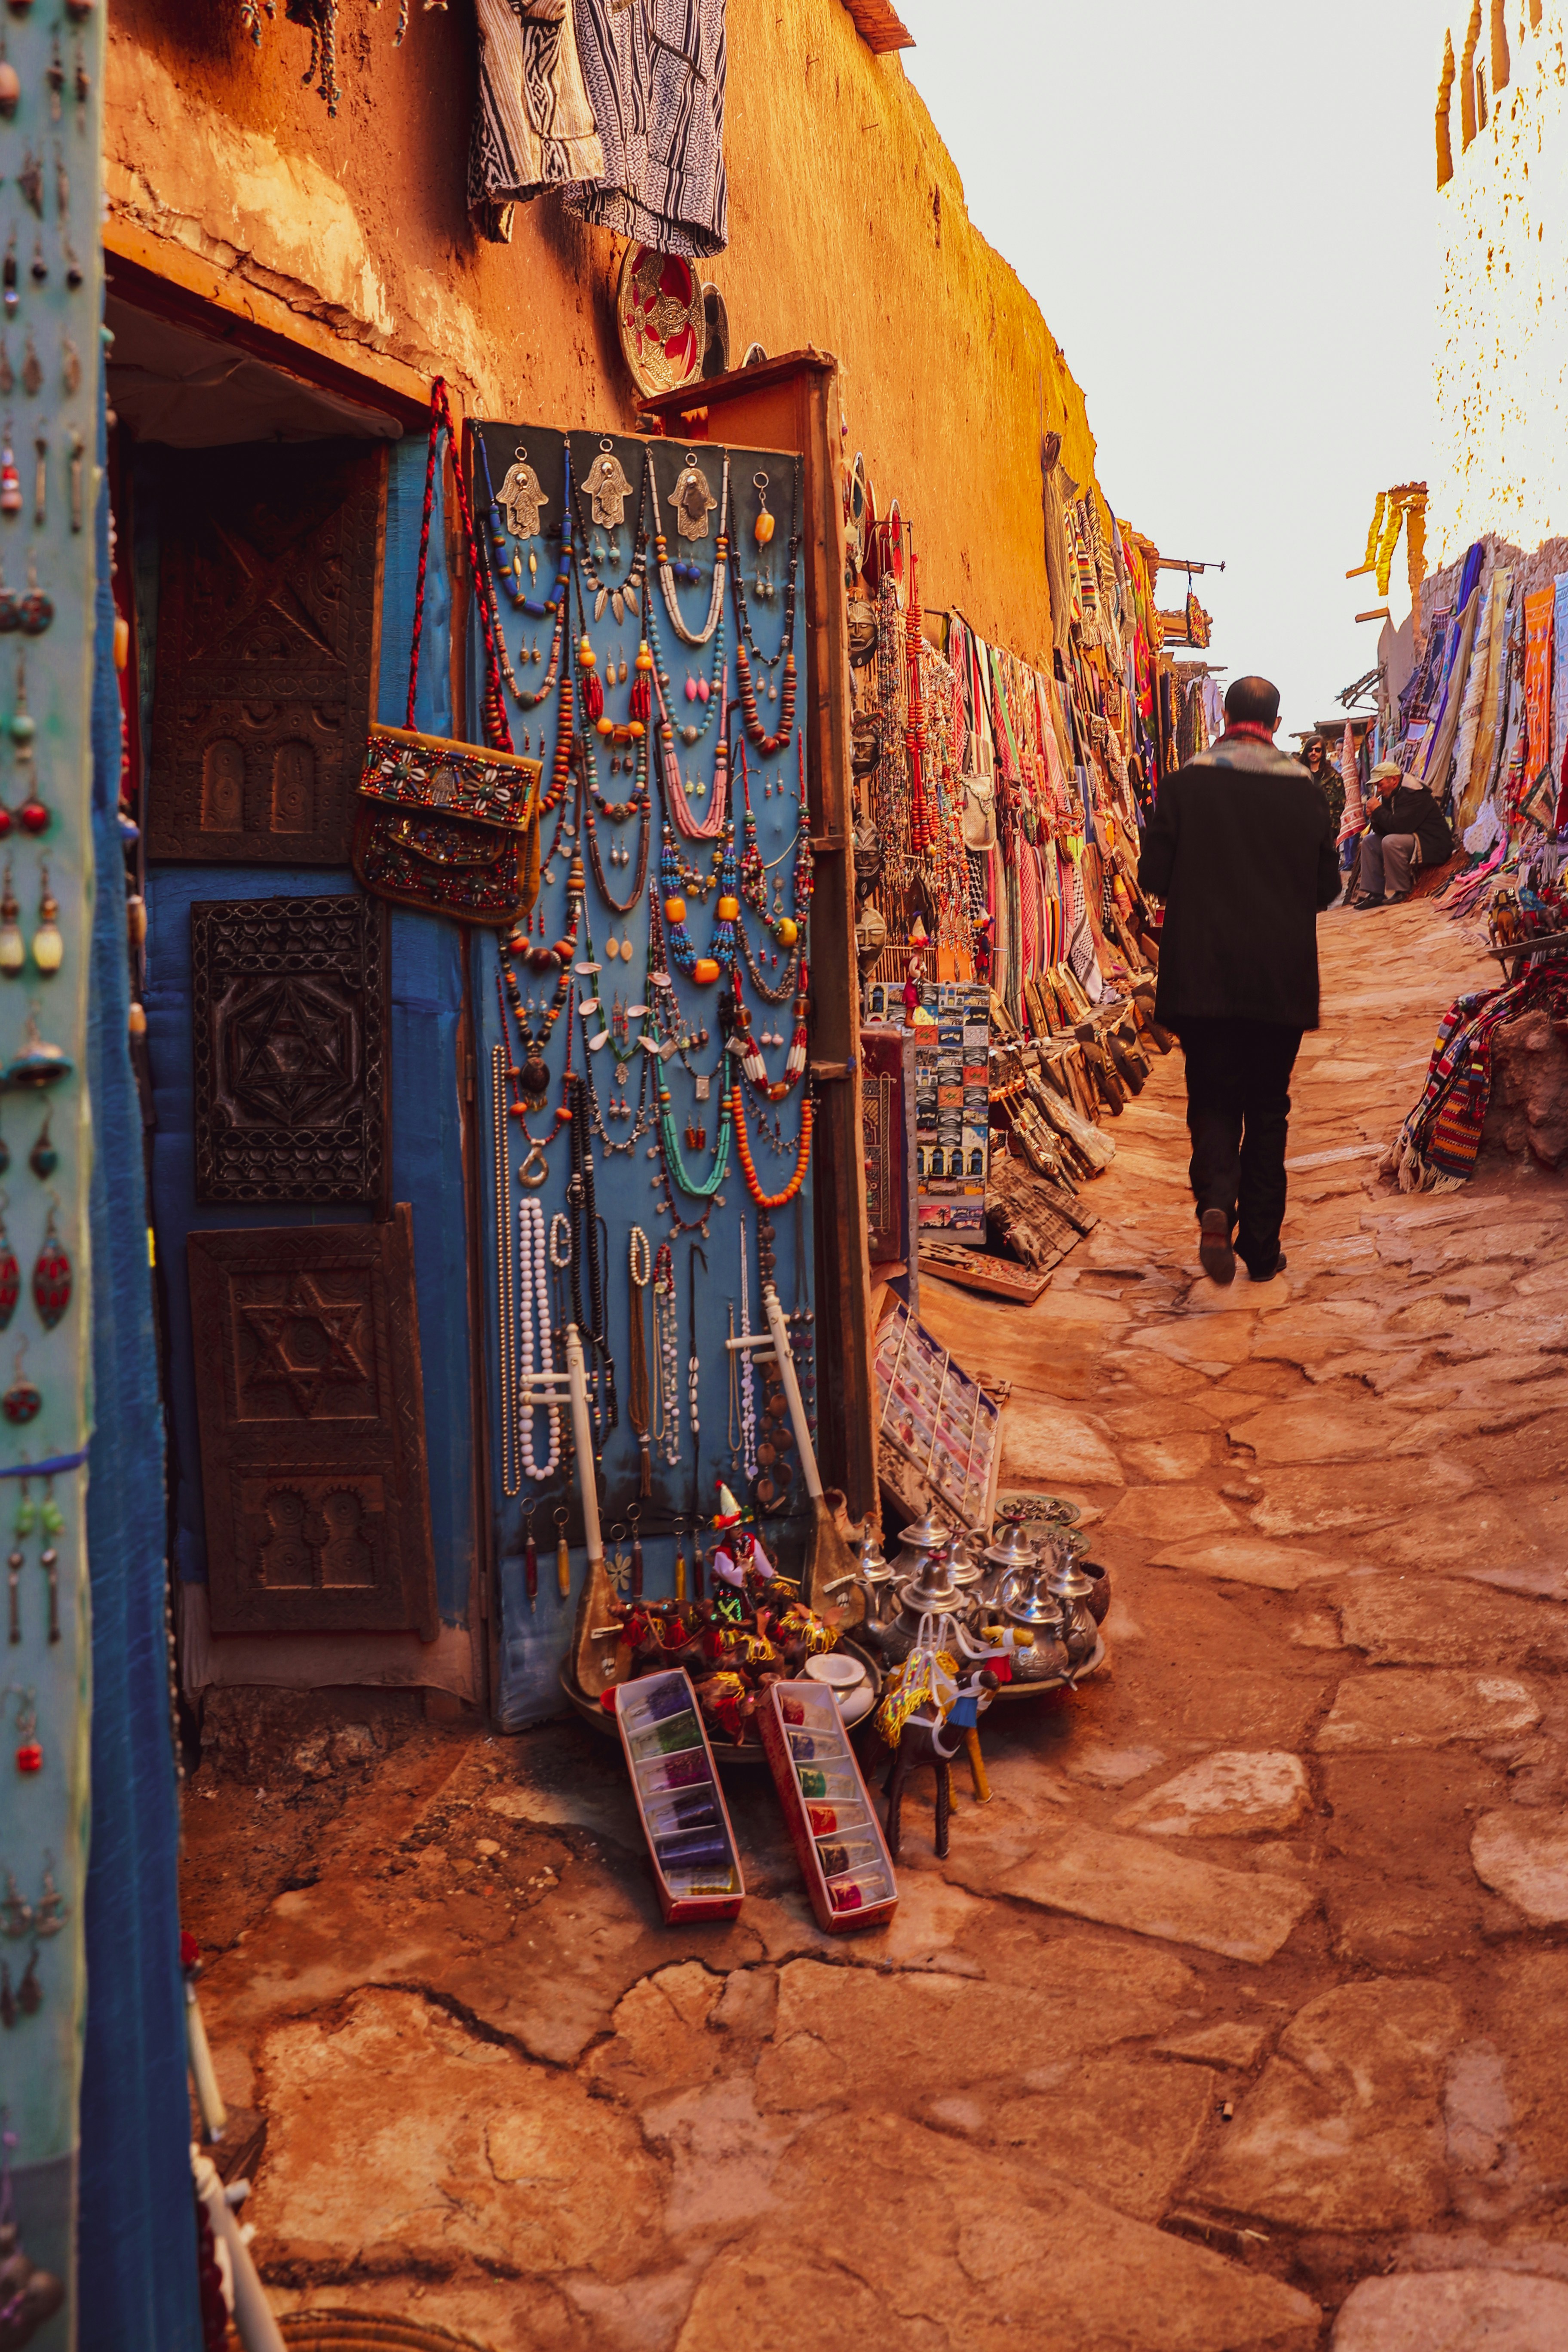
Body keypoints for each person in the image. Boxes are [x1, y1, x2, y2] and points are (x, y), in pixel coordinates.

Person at [1138, 673, 1340, 1287]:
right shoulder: (1304, 791)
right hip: (1278, 979)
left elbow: (1153, 876)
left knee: (1213, 1098)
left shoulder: (1181, 785)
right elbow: (1325, 888)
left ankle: (1213, 1206)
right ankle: (1259, 1245)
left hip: (1200, 974)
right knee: (1267, 1107)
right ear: (1276, 725)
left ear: (1224, 716)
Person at [1352, 760, 1453, 907]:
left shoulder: (1413, 793)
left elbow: (1399, 827)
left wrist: (1378, 811)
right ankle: (1375, 893)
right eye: (1376, 786)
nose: (1378, 790)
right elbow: (1385, 829)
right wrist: (1374, 817)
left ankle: (1401, 890)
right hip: (1412, 837)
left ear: (1394, 780)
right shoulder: (1391, 794)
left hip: (1433, 843)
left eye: (1380, 785)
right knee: (1369, 841)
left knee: (1391, 842)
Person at [1298, 732, 1346, 834]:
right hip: (1303, 829)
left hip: (1326, 830)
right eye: (1310, 750)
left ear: (1323, 752)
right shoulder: (1298, 775)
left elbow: (1341, 805)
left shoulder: (1333, 777)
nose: (1313, 752)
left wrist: (1333, 828)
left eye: (1317, 750)